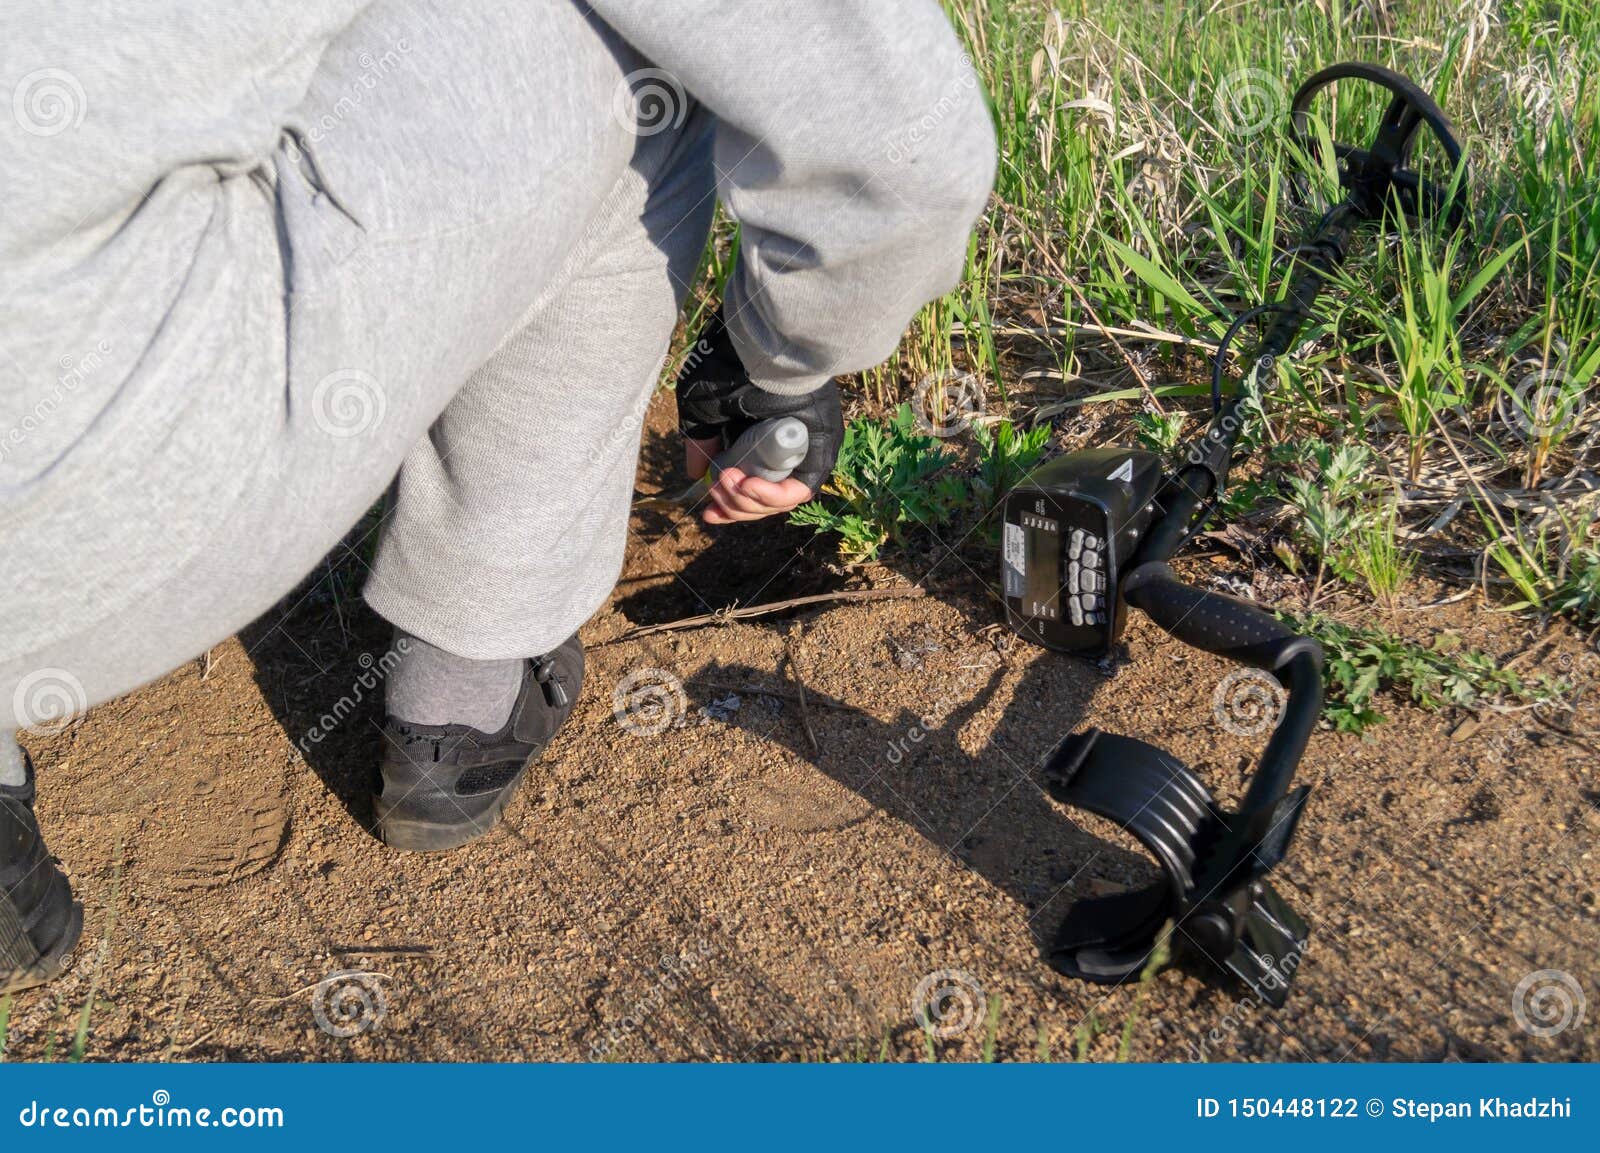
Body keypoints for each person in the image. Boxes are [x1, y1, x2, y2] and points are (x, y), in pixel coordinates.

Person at [0, 0, 995, 993]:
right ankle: (466, 682)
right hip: (83, 467)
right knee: (646, 71)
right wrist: (781, 364)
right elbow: (904, 154)